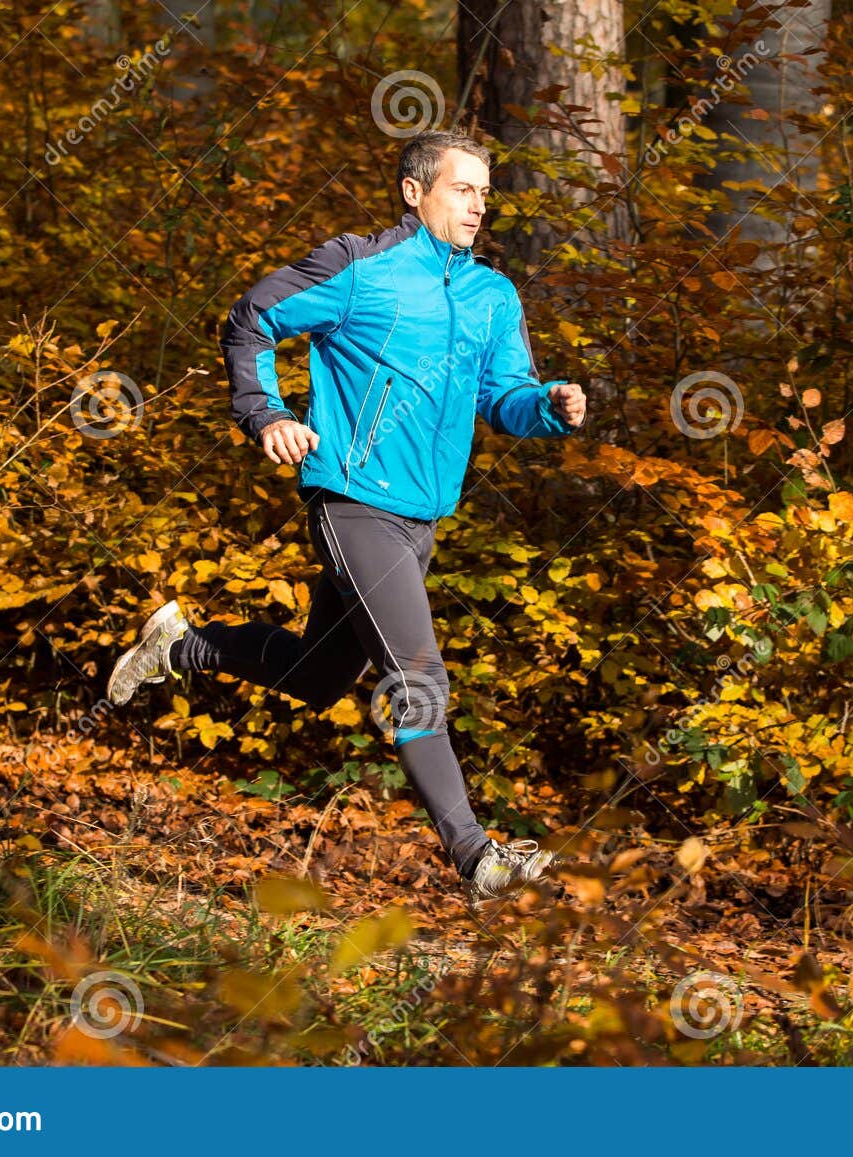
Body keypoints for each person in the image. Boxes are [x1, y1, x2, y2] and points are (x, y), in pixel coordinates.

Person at [106, 130, 586, 903]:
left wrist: (549, 407)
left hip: (421, 517)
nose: (477, 206)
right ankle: (478, 858)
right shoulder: (360, 268)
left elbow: (504, 398)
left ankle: (183, 644)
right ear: (414, 191)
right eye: (462, 189)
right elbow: (250, 319)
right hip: (355, 500)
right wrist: (266, 413)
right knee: (418, 675)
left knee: (321, 674)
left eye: (485, 193)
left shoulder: (492, 295)